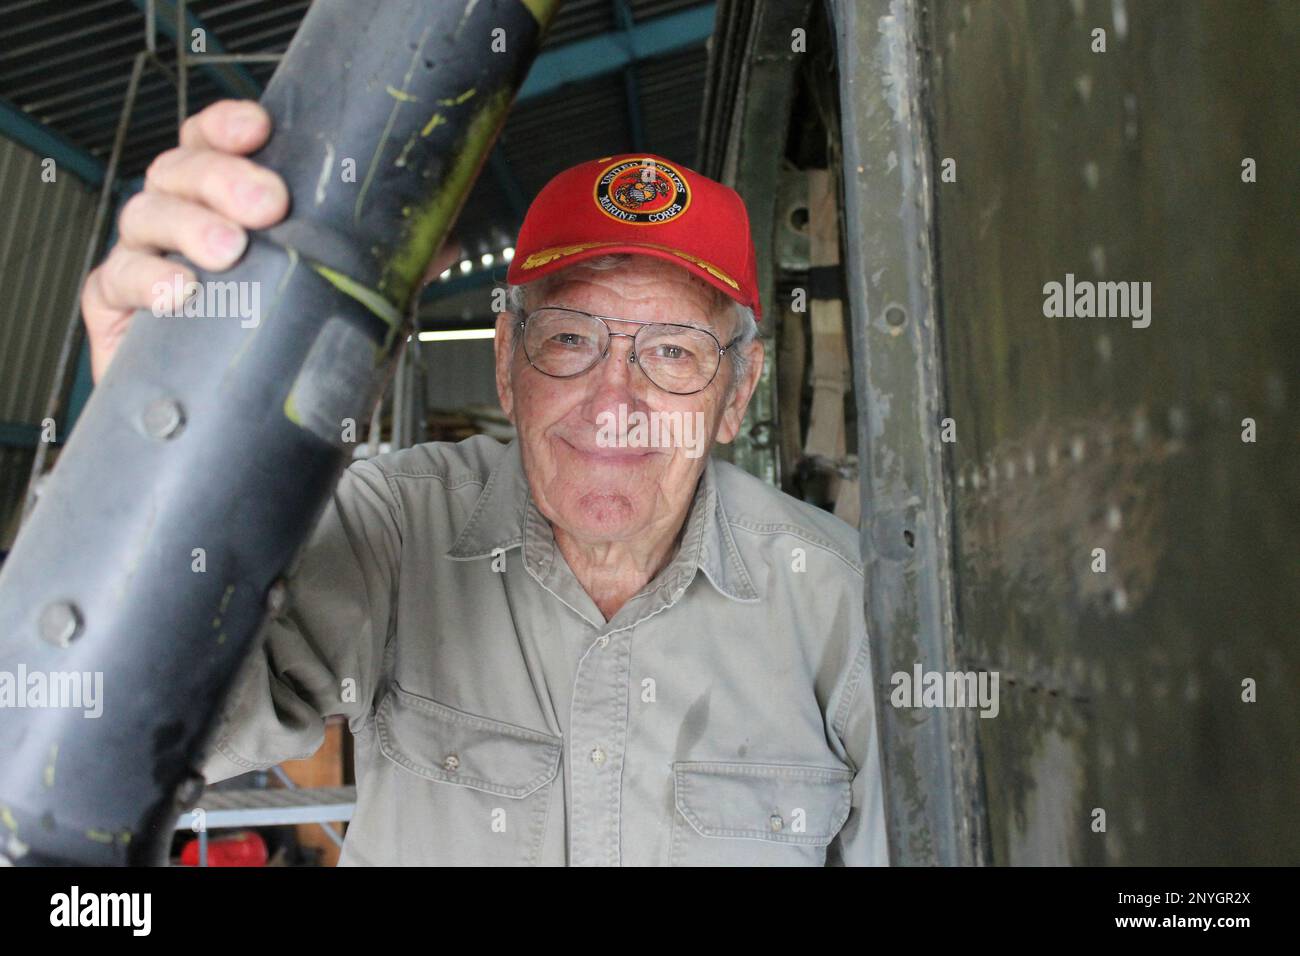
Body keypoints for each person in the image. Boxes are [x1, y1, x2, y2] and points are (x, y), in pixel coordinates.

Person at [80, 99, 887, 866]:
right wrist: (149, 466)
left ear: (735, 394)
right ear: (507, 364)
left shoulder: (838, 601)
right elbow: (152, 737)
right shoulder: (397, 528)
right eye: (571, 339)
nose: (615, 401)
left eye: (672, 351)